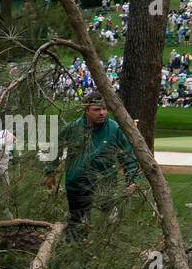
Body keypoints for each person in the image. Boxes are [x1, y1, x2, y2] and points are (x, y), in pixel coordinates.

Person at [47, 90, 139, 235]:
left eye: (104, 109)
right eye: (97, 109)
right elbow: (54, 149)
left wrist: (132, 179)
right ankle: (77, 247)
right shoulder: (73, 128)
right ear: (86, 110)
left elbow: (127, 156)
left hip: (105, 184)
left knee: (108, 222)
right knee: (79, 224)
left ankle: (104, 244)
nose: (102, 113)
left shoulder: (114, 128)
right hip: (77, 183)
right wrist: (49, 172)